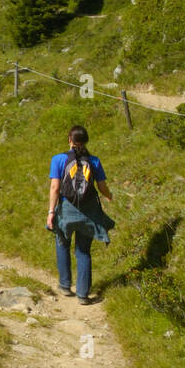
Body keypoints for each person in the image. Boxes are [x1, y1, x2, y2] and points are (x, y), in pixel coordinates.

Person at [45, 124, 114, 305]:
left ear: (69, 140)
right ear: (86, 141)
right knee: (83, 251)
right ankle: (83, 295)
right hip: (88, 212)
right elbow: (102, 187)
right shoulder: (94, 161)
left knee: (62, 244)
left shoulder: (58, 160)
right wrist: (109, 196)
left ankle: (65, 285)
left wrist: (51, 212)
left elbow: (55, 187)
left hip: (66, 209)